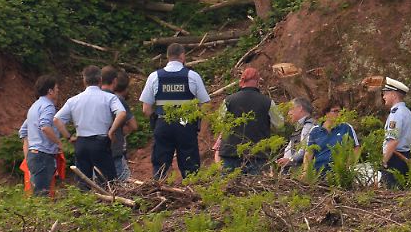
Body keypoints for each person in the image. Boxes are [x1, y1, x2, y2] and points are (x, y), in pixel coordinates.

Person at [140, 43, 211, 179]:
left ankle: (159, 192)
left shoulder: (154, 77)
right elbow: (206, 104)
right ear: (182, 56)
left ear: (167, 57)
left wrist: (157, 121)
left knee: (160, 165)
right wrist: (197, 119)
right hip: (186, 125)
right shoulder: (193, 76)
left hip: (163, 124)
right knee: (190, 166)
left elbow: (146, 108)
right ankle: (192, 193)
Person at [54, 66, 129, 186]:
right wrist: (112, 130)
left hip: (82, 142)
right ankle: (109, 203)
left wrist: (69, 137)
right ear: (100, 80)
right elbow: (121, 113)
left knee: (83, 182)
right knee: (110, 182)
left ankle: (84, 202)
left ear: (84, 80)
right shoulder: (109, 97)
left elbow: (57, 120)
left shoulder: (73, 100)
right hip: (101, 142)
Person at [218, 67, 284, 174]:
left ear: (242, 81)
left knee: (227, 187)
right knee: (255, 188)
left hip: (230, 152)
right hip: (257, 154)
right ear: (258, 82)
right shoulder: (267, 102)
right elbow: (279, 124)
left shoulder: (228, 100)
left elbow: (220, 122)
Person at [18, 75, 64, 196]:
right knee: (42, 195)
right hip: (43, 155)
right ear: (50, 91)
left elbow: (23, 132)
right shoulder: (48, 106)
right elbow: (45, 126)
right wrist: (58, 142)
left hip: (34, 155)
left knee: (37, 193)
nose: (58, 90)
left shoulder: (34, 106)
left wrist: (27, 155)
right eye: (56, 88)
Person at [101, 66, 138, 182]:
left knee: (102, 182)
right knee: (124, 182)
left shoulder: (94, 97)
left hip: (96, 148)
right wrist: (120, 131)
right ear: (115, 81)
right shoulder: (117, 100)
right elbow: (133, 126)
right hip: (115, 147)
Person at [379, 77, 411, 189]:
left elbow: (393, 140)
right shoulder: (408, 113)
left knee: (392, 193)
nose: (383, 96)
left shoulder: (396, 114)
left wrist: (384, 161)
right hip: (406, 157)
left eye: (385, 93)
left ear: (394, 95)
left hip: (395, 158)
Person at [276, 97, 320, 171]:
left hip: (300, 171)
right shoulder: (300, 127)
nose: (289, 113)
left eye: (291, 109)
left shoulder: (309, 126)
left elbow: (306, 149)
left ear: (300, 108)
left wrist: (290, 160)